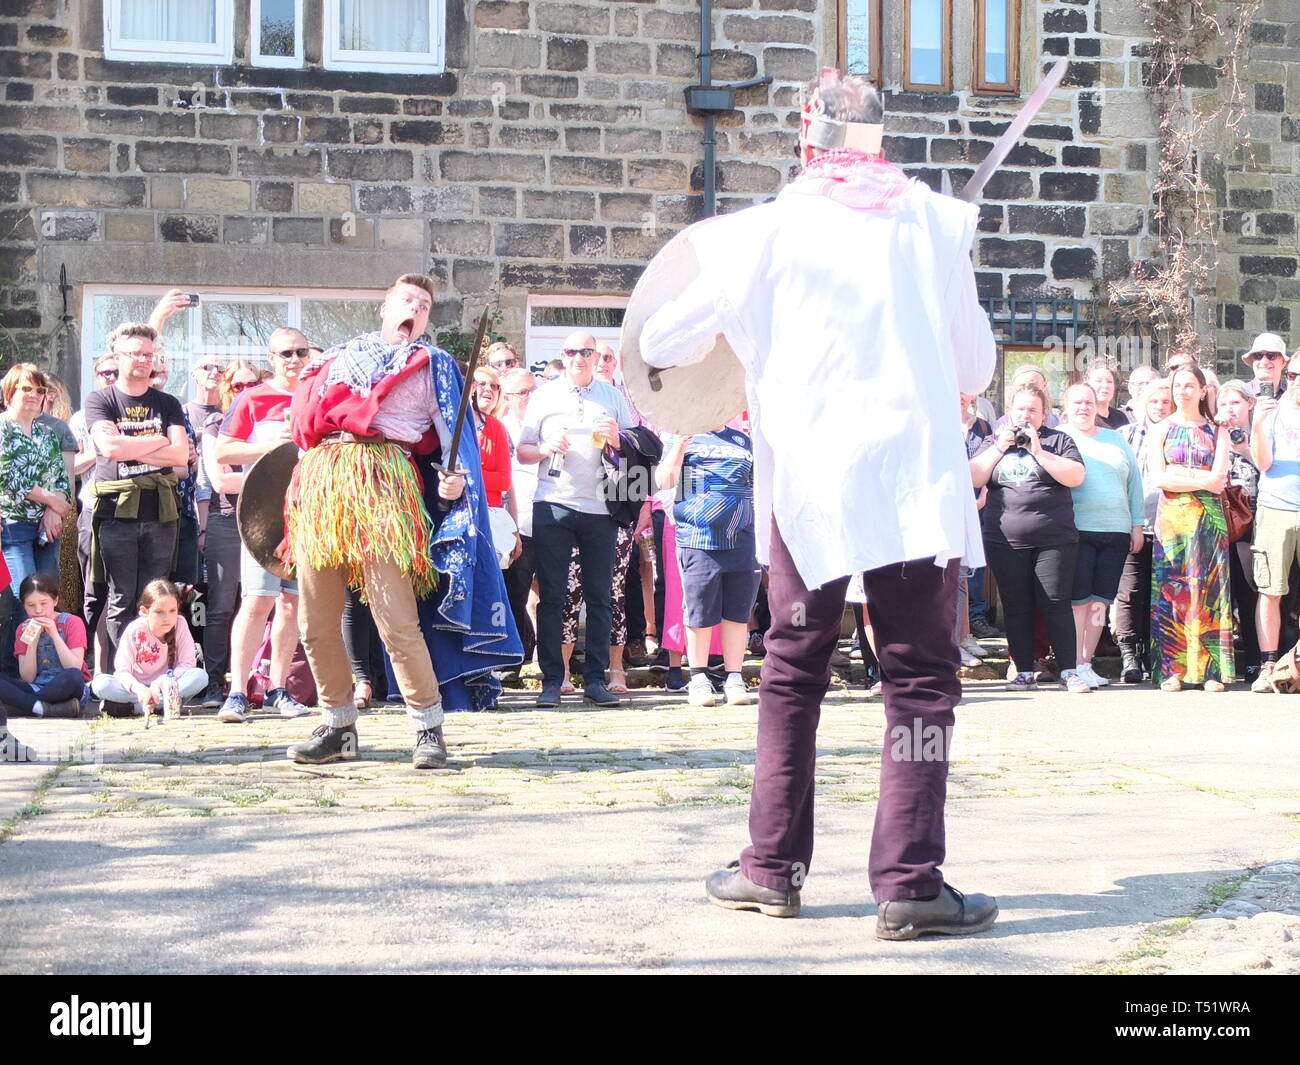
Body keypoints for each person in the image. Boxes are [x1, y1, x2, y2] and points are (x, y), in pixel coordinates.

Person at [641, 70, 998, 938]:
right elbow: (976, 370)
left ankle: (771, 865)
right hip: (911, 483)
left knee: (792, 671)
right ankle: (912, 880)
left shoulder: (759, 235)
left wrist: (749, 321)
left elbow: (658, 341)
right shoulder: (935, 224)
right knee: (919, 680)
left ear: (807, 142)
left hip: (813, 487)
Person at [284, 273, 521, 767]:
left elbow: (449, 450)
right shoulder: (333, 361)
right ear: (385, 307)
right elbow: (302, 431)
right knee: (315, 620)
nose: (415, 308)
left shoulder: (431, 366)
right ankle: (337, 726)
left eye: (425, 305)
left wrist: (452, 485)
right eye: (407, 299)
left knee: (395, 618)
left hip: (386, 485)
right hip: (323, 483)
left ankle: (428, 728)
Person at [516, 329, 636, 708]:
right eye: (572, 351)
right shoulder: (544, 396)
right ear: (563, 356)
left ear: (596, 357)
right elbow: (521, 451)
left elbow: (637, 447)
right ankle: (553, 680)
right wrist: (545, 448)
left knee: (600, 596)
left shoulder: (612, 396)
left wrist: (619, 438)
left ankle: (596, 681)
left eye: (588, 351)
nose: (580, 358)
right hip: (554, 502)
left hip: (601, 507)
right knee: (553, 595)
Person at [212, 330, 311, 723]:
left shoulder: (315, 396)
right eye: (286, 353)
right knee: (256, 601)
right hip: (262, 514)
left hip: (307, 515)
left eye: (301, 351)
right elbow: (224, 450)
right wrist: (268, 448)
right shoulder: (252, 398)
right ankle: (237, 690)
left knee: (293, 604)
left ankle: (277, 688)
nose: (295, 359)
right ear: (272, 358)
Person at [971, 384, 1089, 692]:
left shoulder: (1058, 440)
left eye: (1033, 410)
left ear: (1044, 414)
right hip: (1005, 540)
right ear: (1010, 411)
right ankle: (1023, 670)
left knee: (1055, 602)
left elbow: (1076, 476)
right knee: (1016, 604)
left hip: (1054, 538)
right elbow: (973, 476)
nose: (1026, 415)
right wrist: (999, 447)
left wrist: (1038, 450)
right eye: (1021, 409)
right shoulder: (993, 441)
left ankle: (1068, 670)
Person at [84, 323, 189, 660]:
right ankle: (119, 681)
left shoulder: (168, 402)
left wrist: (135, 447)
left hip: (160, 513)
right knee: (120, 598)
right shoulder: (100, 399)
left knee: (156, 599)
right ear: (117, 357)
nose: (144, 360)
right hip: (117, 513)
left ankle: (152, 671)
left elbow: (179, 455)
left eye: (149, 354)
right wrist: (158, 441)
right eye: (136, 354)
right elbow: (110, 448)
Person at [655, 424, 760, 706]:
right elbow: (663, 481)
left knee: (738, 611)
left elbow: (758, 483)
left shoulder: (742, 439)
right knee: (699, 608)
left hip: (742, 535)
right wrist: (679, 446)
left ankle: (734, 677)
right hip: (697, 536)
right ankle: (698, 677)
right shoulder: (683, 436)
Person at [1149, 364, 1234, 691]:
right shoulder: (1161, 429)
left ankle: (1211, 671)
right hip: (1172, 523)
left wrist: (1180, 473)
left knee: (1208, 592)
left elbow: (1218, 483)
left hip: (1208, 523)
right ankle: (1173, 671)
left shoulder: (1218, 431)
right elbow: (1159, 478)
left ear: (1202, 391)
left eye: (1189, 385)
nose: (1182, 391)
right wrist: (1198, 477)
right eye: (1177, 386)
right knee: (1174, 593)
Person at [1059, 383, 1144, 689]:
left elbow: (1134, 484)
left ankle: (1086, 662)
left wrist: (1136, 524)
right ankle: (1072, 664)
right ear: (1066, 406)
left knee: (1100, 602)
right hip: (1077, 530)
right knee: (1079, 601)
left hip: (1117, 531)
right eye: (1077, 402)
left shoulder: (1115, 439)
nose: (1084, 407)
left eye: (1089, 402)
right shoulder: (1059, 438)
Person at [198, 360, 262, 707]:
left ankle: (261, 681)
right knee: (222, 606)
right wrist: (269, 470)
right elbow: (221, 481)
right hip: (227, 519)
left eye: (252, 384)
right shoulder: (215, 424)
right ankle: (213, 684)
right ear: (227, 389)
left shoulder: (270, 424)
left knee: (268, 602)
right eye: (238, 386)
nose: (246, 390)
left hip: (265, 517)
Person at [1246, 355, 1300, 693]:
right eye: (1293, 374)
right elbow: (1263, 462)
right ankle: (1268, 665)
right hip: (1276, 506)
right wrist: (1256, 426)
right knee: (1271, 590)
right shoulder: (1272, 411)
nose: (1297, 381)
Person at [1115, 377, 1173, 682]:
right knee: (1131, 591)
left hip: (1173, 527)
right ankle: (1130, 655)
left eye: (1166, 402)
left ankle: (1158, 655)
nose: (1160, 407)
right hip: (1135, 524)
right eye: (1154, 402)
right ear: (1143, 405)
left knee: (1162, 593)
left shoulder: (1179, 434)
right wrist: (1132, 523)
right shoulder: (1125, 436)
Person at [0, 364, 72, 595]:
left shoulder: (47, 434)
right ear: (10, 392)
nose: (34, 395)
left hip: (46, 530)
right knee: (25, 601)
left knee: (45, 601)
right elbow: (7, 476)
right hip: (12, 528)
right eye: (27, 388)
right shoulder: (3, 428)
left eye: (40, 390)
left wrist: (54, 511)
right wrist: (50, 498)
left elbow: (62, 479)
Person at [91, 577, 207, 716]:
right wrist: (139, 689)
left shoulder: (180, 624)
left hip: (166, 686)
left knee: (200, 676)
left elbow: (187, 663)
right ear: (144, 611)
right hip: (137, 688)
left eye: (172, 611)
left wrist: (161, 683)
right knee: (100, 684)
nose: (167, 618)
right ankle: (159, 705)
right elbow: (122, 670)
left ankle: (138, 708)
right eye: (159, 612)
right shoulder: (134, 629)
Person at [1215, 380, 1260, 683]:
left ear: (1249, 405)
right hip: (1218, 516)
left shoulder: (1261, 432)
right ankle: (1220, 660)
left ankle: (1255, 659)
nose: (1230, 410)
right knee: (1218, 593)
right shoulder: (1212, 432)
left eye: (1235, 403)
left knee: (1248, 588)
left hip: (1251, 518)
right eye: (1224, 404)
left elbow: (1270, 470)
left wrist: (1245, 449)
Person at [0, 572, 88, 719]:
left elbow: (74, 666)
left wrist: (53, 633)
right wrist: (32, 642)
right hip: (36, 687)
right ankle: (42, 707)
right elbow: (28, 677)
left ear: (55, 601)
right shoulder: (22, 628)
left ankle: (25, 704)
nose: (38, 610)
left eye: (44, 603)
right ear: (24, 606)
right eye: (31, 605)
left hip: (67, 686)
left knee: (74, 676)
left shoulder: (72, 622)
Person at [498, 368, 539, 667]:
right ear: (508, 398)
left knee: (556, 594)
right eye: (523, 392)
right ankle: (512, 659)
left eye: (533, 390)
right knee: (515, 593)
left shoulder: (550, 423)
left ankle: (553, 660)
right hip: (518, 521)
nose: (530, 397)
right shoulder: (501, 428)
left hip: (552, 518)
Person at [1241, 332, 1288, 399]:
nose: (1264, 362)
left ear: (1283, 362)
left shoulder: (1293, 395)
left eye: (1271, 355)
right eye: (1258, 356)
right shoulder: (1241, 394)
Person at [1086, 363, 1130, 430]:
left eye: (1109, 382)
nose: (1105, 385)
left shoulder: (1120, 417)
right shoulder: (1083, 416)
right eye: (1099, 381)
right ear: (1087, 384)